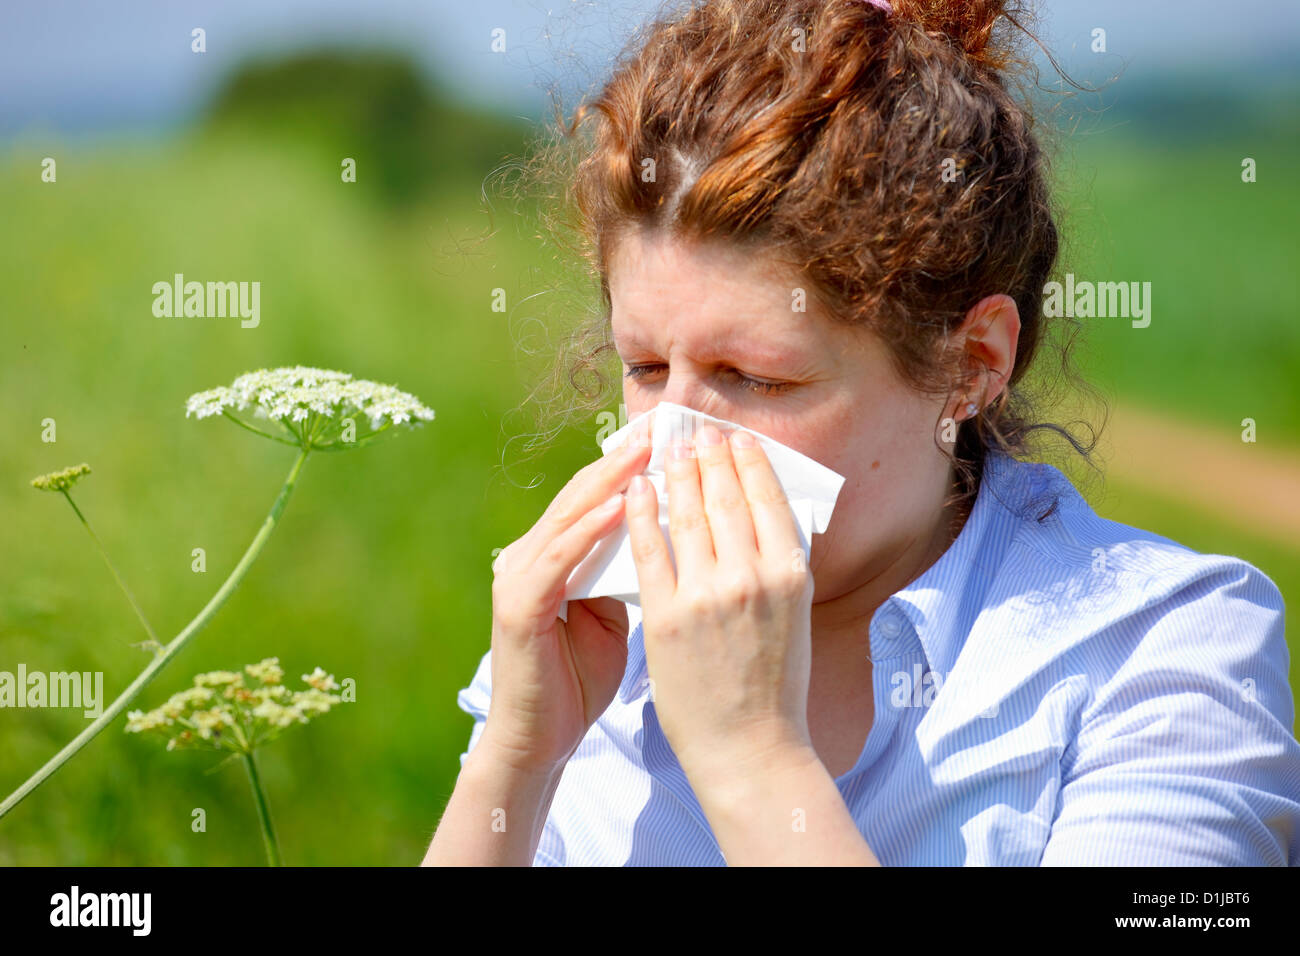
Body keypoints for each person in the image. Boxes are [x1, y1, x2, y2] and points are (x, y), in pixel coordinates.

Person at [423, 0, 1300, 865]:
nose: (675, 435)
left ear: (974, 364)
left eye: (759, 377)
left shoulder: (1161, 654)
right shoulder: (593, 647)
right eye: (646, 369)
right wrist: (516, 762)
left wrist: (752, 763)